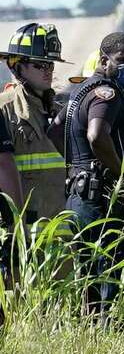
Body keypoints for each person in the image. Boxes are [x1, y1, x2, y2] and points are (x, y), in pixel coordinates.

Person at [63, 32, 124, 310]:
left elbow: (55, 131)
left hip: (81, 196)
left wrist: (78, 167)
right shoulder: (107, 94)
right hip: (106, 201)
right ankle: (110, 339)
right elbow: (97, 136)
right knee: (112, 282)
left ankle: (92, 341)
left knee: (88, 283)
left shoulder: (80, 91)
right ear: (104, 60)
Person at [0, 23, 68, 233]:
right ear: (17, 66)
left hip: (62, 237)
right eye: (40, 64)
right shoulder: (5, 110)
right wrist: (15, 230)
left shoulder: (61, 112)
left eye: (51, 64)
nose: (48, 70)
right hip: (21, 234)